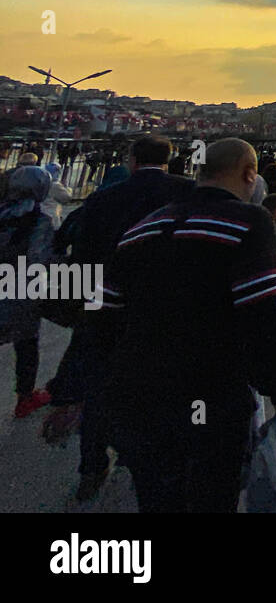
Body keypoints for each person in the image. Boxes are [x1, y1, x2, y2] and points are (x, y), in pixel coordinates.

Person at [100, 138, 276, 513]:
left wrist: (81, 393)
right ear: (249, 174)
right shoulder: (247, 221)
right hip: (209, 393)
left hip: (137, 395)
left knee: (158, 499)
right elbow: (264, 312)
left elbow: (103, 315)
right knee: (209, 494)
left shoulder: (143, 228)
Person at [45, 134, 194, 501]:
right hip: (166, 310)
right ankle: (141, 455)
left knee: (98, 388)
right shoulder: (189, 194)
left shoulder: (103, 199)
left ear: (131, 160)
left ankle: (92, 466)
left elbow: (81, 258)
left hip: (104, 306)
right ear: (169, 158)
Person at [1, 166, 55, 418]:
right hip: (20, 292)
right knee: (26, 345)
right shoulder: (40, 221)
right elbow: (39, 259)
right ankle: (25, 397)